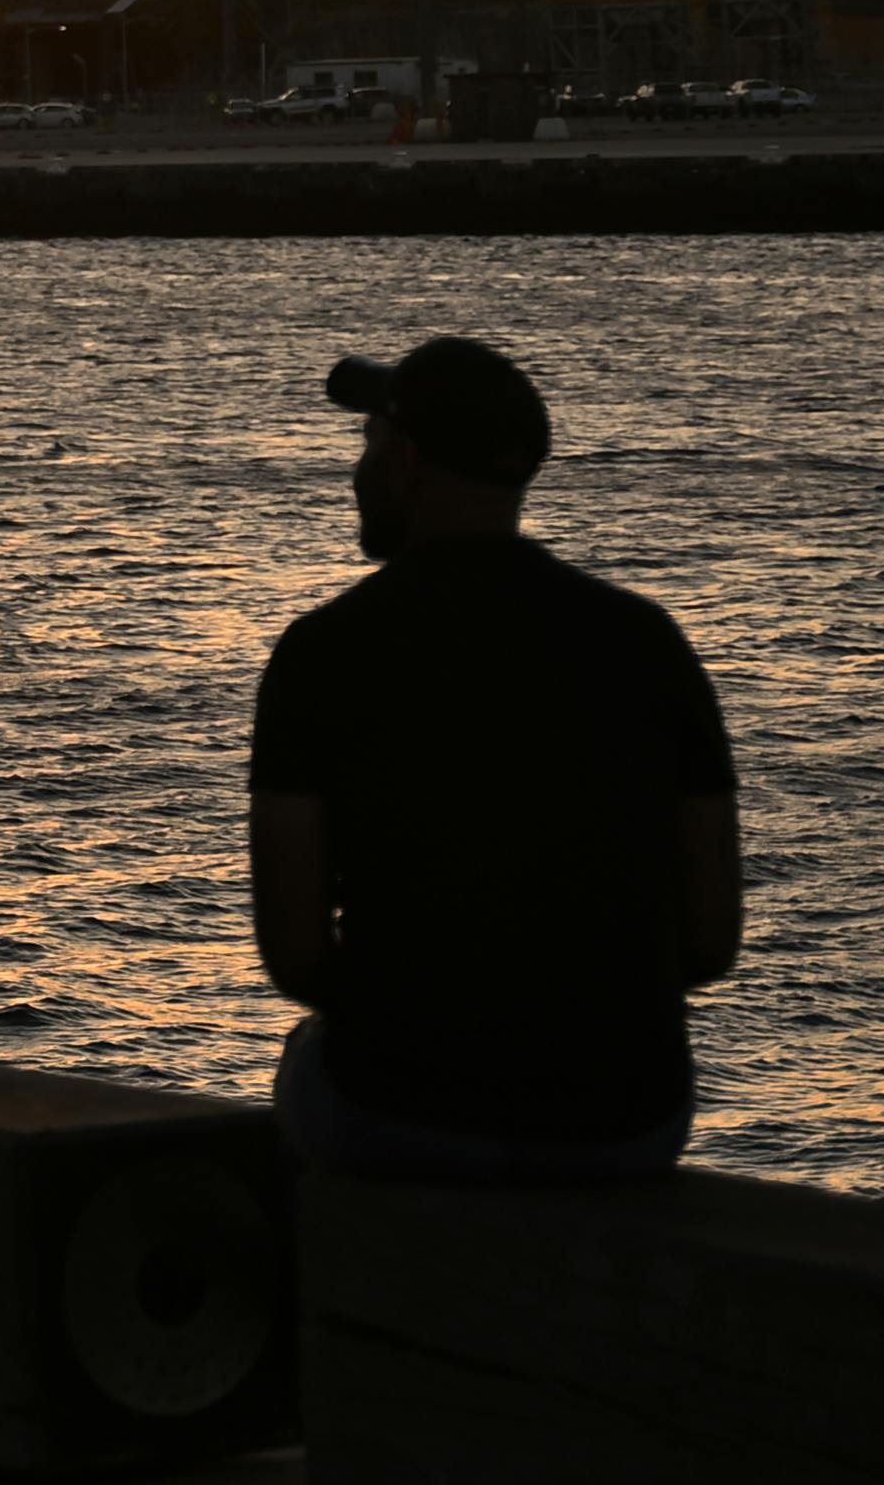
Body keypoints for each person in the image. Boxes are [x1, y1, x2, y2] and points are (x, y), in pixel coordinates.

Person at [247, 333, 739, 1180]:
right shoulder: (650, 644)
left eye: (366, 446)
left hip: (402, 1108)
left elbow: (295, 953)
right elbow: (708, 945)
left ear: (405, 459)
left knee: (304, 1064)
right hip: (625, 1120)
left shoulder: (323, 652)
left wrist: (423, 1016)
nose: (357, 472)